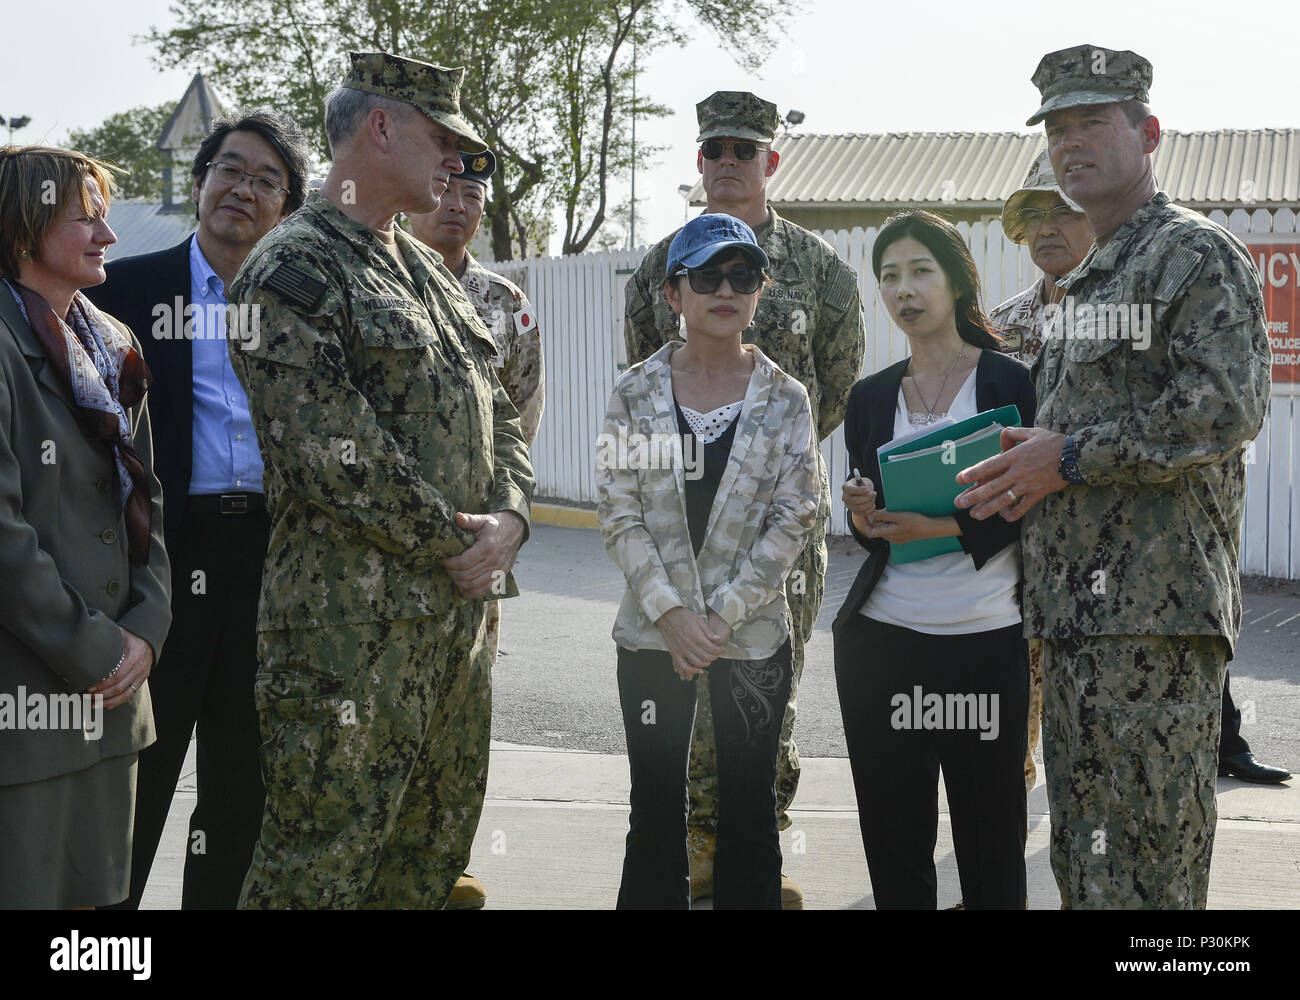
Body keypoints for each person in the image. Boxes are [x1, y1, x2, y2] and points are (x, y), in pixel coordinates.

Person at [955, 44, 1271, 909]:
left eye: (1093, 120)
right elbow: (1077, 436)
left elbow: (1222, 408)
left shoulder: (1193, 255)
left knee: (1152, 874)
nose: (1071, 142)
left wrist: (1065, 456)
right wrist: (1024, 457)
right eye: (1058, 127)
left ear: (1149, 132)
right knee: (1090, 870)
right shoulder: (1089, 275)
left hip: (1154, 624)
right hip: (1074, 625)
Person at [226, 51, 535, 909]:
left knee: (425, 868)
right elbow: (334, 453)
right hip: (347, 646)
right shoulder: (291, 270)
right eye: (443, 139)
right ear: (382, 126)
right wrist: (461, 544)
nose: (456, 164)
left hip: (454, 636)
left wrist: (509, 520)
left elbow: (499, 413)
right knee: (315, 873)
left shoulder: (431, 273)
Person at [623, 90, 864, 907]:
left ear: (773, 161)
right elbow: (648, 388)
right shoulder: (659, 266)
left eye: (745, 150)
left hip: (775, 530)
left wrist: (758, 475)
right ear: (699, 160)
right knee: (677, 692)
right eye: (714, 149)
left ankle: (754, 844)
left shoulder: (822, 273)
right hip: (676, 521)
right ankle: (694, 847)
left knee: (767, 694)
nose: (728, 162)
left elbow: (828, 391)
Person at [993, 151, 1292, 793]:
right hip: (1031, 561)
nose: (1048, 227)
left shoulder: (1167, 274)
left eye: (1062, 212)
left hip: (1147, 575)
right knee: (1028, 740)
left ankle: (1225, 743)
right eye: (1034, 216)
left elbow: (1216, 412)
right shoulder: (1006, 325)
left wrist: (1071, 456)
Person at [84, 108, 310, 910]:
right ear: (199, 181)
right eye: (230, 169)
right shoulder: (125, 292)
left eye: (266, 180)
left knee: (241, 781)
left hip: (272, 561)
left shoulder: (304, 305)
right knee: (139, 769)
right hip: (162, 557)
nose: (243, 190)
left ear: (288, 208)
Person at [598, 212, 820, 909]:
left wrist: (718, 617)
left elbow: (797, 515)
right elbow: (618, 509)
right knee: (655, 810)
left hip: (750, 639)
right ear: (674, 293)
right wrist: (671, 614)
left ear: (760, 290)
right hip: (650, 635)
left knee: (749, 814)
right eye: (707, 275)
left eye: (743, 275)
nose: (725, 289)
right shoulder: (634, 393)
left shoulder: (787, 399)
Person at [832, 210, 1034, 909]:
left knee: (991, 851)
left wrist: (939, 525)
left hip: (982, 643)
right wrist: (864, 512)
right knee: (895, 846)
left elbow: (1033, 509)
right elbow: (876, 530)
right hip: (883, 646)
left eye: (920, 271)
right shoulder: (870, 396)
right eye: (889, 277)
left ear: (955, 279)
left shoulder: (1010, 383)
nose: (904, 290)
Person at [0, 145, 170, 907]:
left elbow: (150, 501)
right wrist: (99, 649)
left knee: (97, 924)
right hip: (30, 713)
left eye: (107, 218)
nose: (107, 237)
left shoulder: (113, 344)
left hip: (113, 709)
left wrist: (148, 627)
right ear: (23, 230)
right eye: (86, 220)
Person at [409, 147, 546, 909]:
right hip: (388, 536)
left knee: (467, 700)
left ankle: (448, 857)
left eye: (473, 191)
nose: (458, 202)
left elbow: (521, 414)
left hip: (477, 537)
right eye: (446, 186)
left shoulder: (504, 300)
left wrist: (506, 517)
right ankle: (395, 851)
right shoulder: (376, 281)